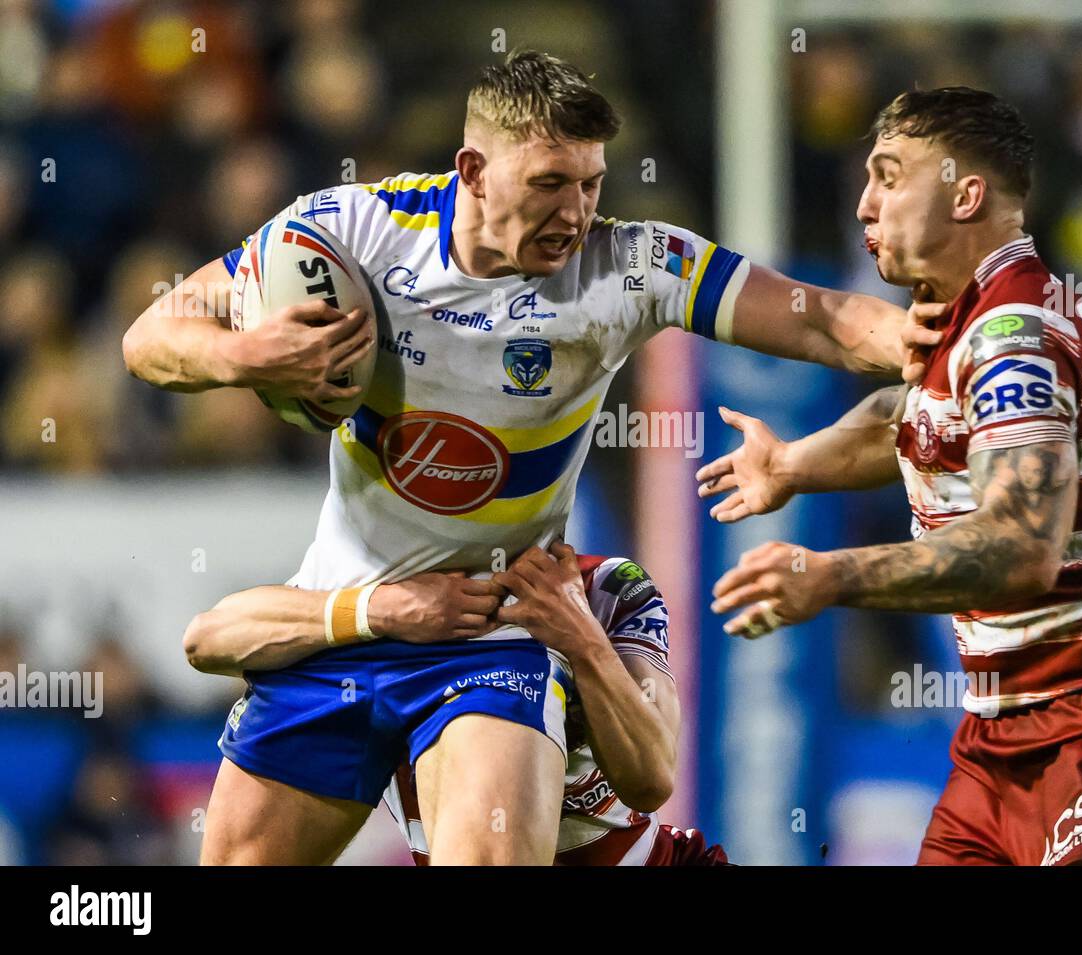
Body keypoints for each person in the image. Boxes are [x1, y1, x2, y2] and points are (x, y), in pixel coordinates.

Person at [123, 50, 927, 864]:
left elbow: (820, 318)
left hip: (490, 628)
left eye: (591, 184)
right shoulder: (352, 230)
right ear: (473, 169)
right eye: (550, 183)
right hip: (342, 621)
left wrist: (935, 342)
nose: (576, 213)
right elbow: (151, 336)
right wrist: (245, 358)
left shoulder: (631, 265)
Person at [700, 87, 1082, 866]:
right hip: (1001, 732)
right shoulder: (968, 319)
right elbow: (909, 419)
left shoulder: (1015, 335)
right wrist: (793, 464)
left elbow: (1020, 546)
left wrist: (831, 576)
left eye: (889, 175)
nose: (865, 203)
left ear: (966, 193)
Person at [185, 542, 729, 866]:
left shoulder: (603, 586)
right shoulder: (372, 594)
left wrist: (582, 641)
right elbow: (207, 638)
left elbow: (653, 776)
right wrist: (376, 611)